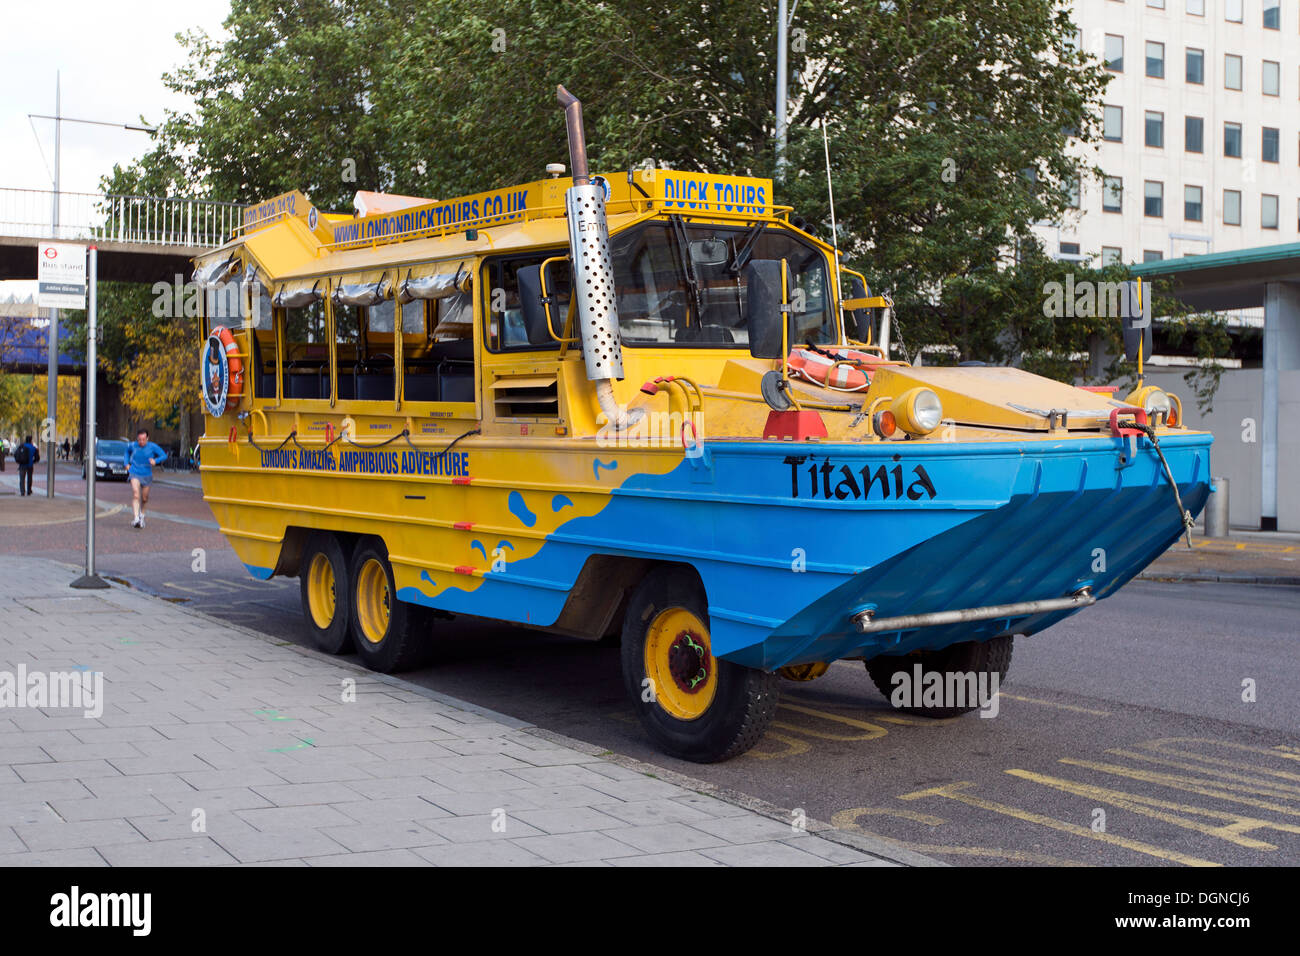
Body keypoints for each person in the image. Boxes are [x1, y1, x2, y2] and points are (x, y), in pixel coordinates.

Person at [124, 428, 167, 528]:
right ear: (137, 439)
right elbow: (127, 452)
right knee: (135, 494)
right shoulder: (132, 445)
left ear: (147, 438)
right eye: (139, 439)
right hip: (134, 472)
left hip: (147, 474)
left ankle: (141, 515)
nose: (141, 442)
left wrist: (155, 461)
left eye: (143, 439)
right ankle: (136, 519)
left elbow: (164, 455)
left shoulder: (153, 446)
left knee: (144, 498)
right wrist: (126, 463)